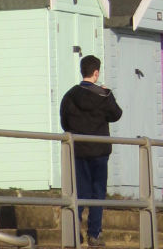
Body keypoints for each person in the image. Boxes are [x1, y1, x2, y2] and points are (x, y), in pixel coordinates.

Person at [60, 55, 123, 247]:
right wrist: (108, 94)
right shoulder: (103, 95)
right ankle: (94, 234)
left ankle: (74, 231)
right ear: (96, 73)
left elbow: (65, 123)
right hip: (99, 152)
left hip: (78, 149)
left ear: (82, 71)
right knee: (98, 192)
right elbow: (116, 114)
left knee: (79, 191)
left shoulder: (70, 95)